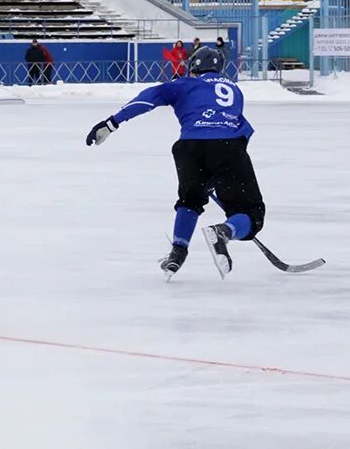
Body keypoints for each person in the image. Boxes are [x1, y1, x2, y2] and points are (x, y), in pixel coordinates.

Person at [86, 46, 265, 279]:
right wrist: (223, 168)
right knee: (251, 213)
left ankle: (178, 253)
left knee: (190, 200)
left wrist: (111, 123)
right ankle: (224, 232)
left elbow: (147, 99)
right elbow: (243, 129)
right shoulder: (235, 91)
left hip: (189, 148)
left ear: (194, 67)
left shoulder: (184, 84)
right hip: (228, 147)